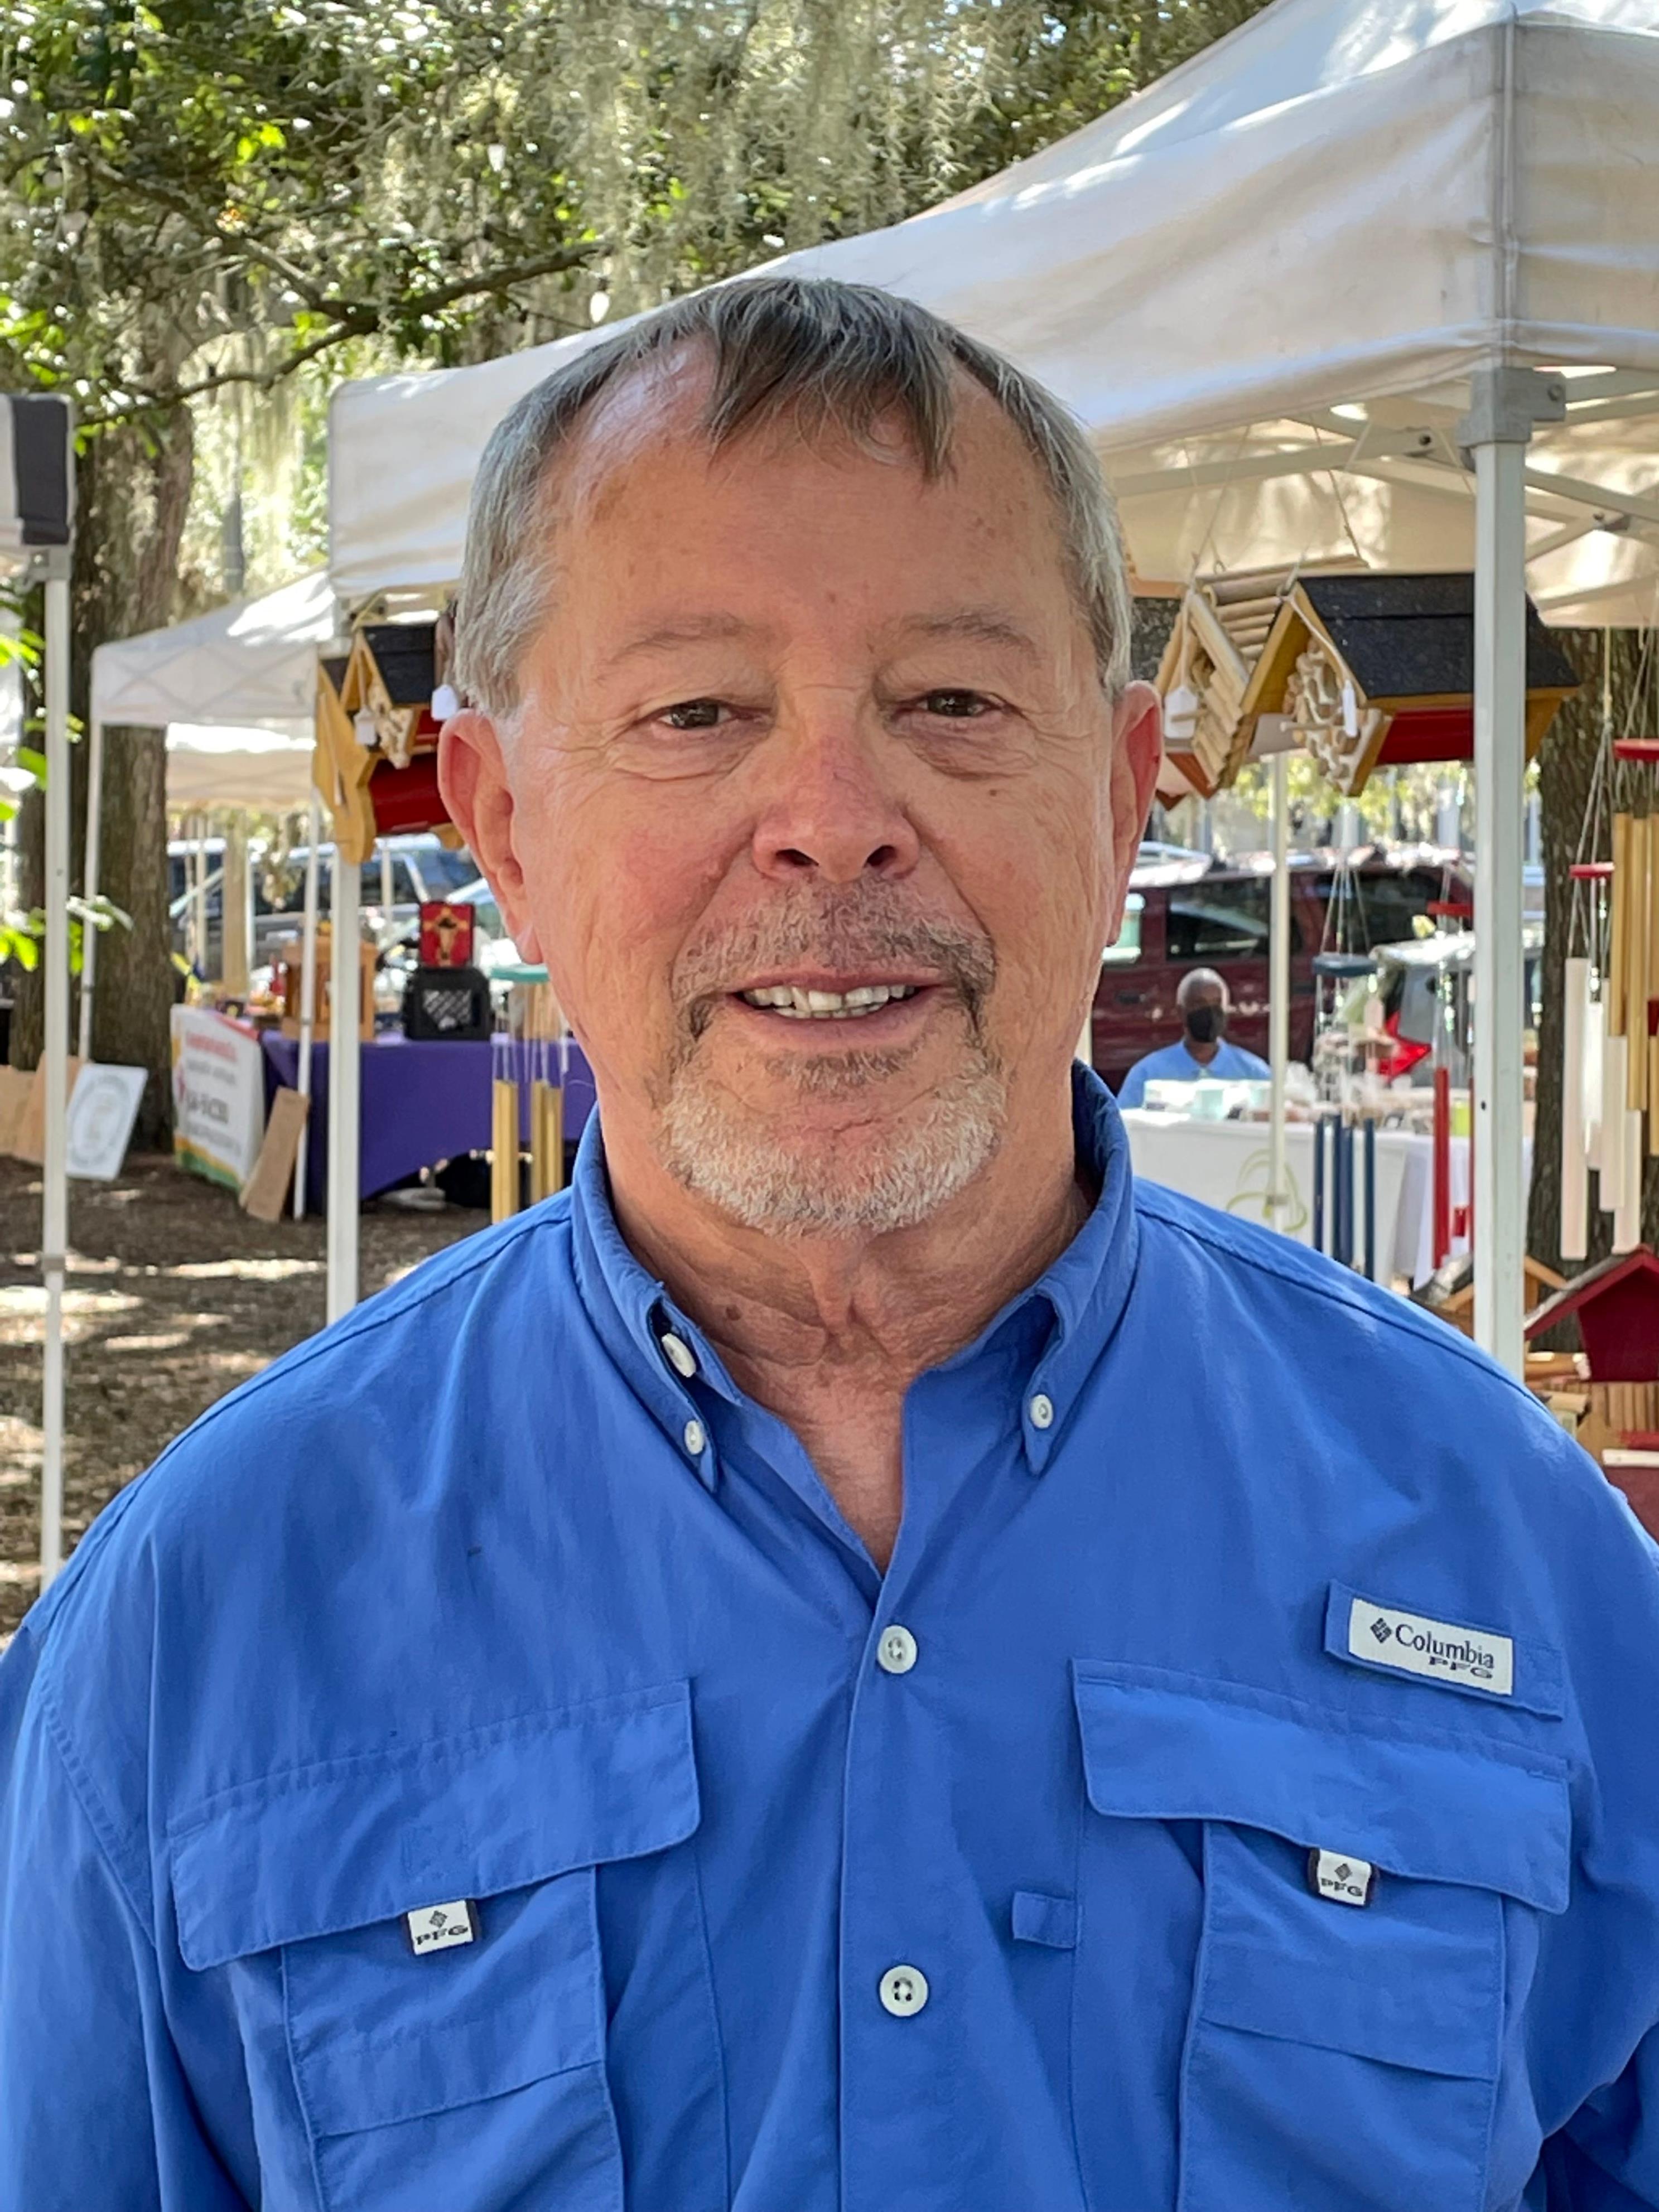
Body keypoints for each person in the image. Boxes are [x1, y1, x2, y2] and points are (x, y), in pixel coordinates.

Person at [3, 279, 1658, 2212]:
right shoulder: (200, 1618)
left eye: (951, 702)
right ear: (501, 821)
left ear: (1125, 795)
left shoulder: (1520, 1555)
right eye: (696, 711)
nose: (831, 824)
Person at [1115, 965, 1270, 1108]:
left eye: (1217, 1004)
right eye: (1199, 1004)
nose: (1209, 1012)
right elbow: (1122, 1126)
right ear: (1181, 1012)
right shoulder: (1147, 1074)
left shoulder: (1254, 1074)